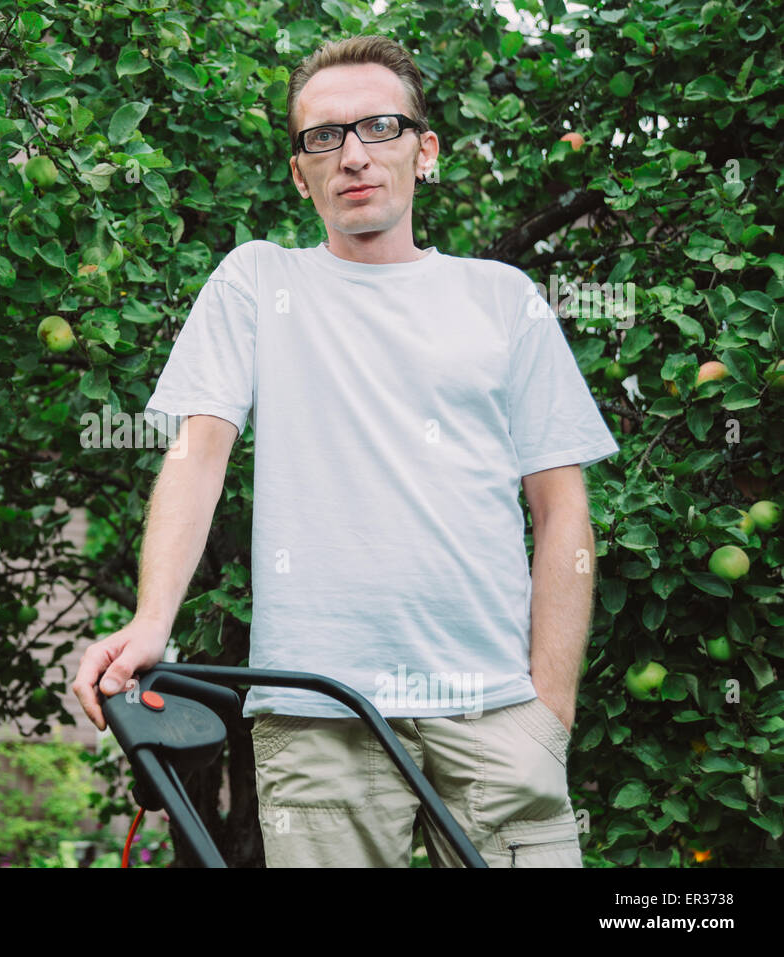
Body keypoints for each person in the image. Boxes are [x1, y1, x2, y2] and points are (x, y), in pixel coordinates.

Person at [72, 34, 620, 867]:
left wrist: (549, 710)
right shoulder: (256, 282)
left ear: (424, 150)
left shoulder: (503, 300)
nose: (353, 154)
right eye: (323, 136)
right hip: (316, 715)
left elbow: (562, 509)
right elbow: (197, 456)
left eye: (379, 127)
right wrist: (153, 621)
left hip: (497, 713)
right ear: (301, 173)